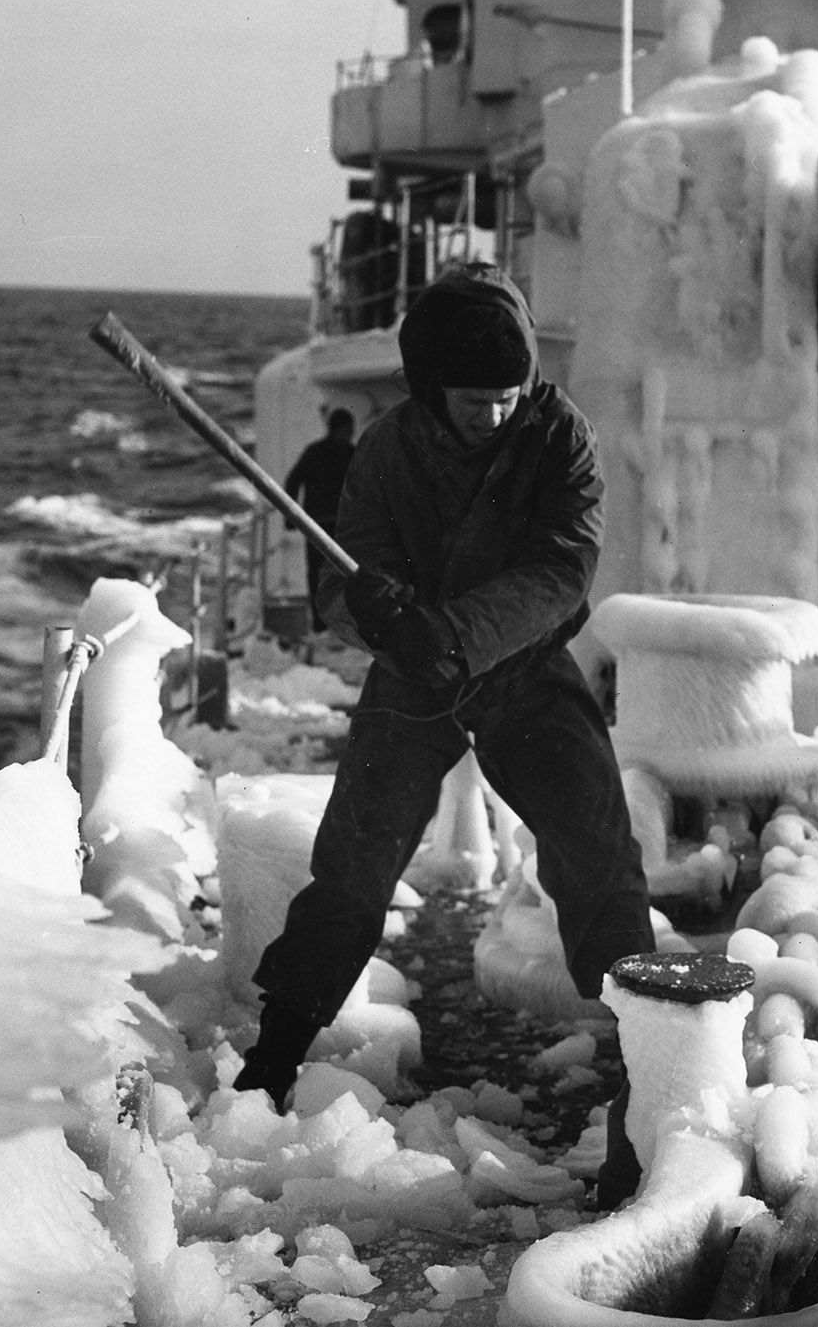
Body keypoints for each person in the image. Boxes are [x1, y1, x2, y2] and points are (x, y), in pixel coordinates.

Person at [235, 267, 656, 1111]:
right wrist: (375, 612)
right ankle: (272, 1058)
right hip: (411, 673)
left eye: (508, 397)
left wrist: (457, 633)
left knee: (599, 855)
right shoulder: (387, 450)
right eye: (473, 401)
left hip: (522, 667)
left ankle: (654, 1065)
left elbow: (562, 568)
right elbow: (343, 577)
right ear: (431, 391)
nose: (495, 415)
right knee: (352, 866)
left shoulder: (560, 437)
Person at [283, 408, 356, 631]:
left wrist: (292, 517)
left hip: (333, 524)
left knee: (336, 574)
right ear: (339, 429)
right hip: (323, 524)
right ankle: (322, 623)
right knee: (322, 573)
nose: (352, 433)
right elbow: (294, 480)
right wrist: (291, 516)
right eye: (348, 429)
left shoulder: (330, 452)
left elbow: (293, 480)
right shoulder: (342, 453)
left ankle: (333, 623)